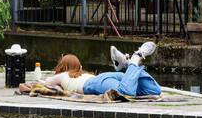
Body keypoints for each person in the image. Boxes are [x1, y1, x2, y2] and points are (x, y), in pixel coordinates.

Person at [31, 42, 160, 99]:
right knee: (153, 90)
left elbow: (45, 82)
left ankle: (134, 58)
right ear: (80, 67)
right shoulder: (83, 73)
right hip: (108, 77)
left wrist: (48, 82)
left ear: (63, 68)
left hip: (96, 83)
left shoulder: (63, 75)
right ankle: (126, 64)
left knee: (125, 92)